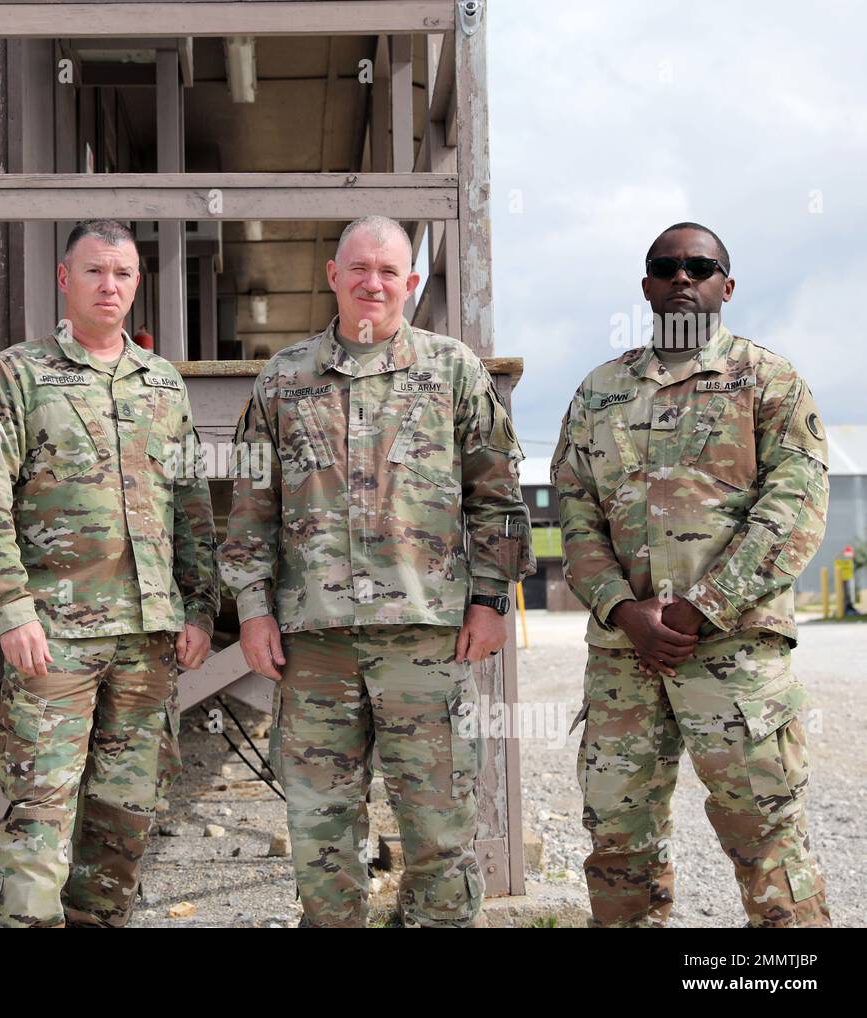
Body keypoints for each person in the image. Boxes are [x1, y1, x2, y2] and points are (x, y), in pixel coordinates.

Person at [219, 215, 534, 927]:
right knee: (321, 832)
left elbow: (498, 498)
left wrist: (491, 599)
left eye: (389, 271)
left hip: (424, 639)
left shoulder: (452, 371)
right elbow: (249, 508)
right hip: (315, 643)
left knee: (439, 828)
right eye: (359, 268)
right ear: (332, 275)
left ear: (411, 283)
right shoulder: (284, 379)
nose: (373, 283)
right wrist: (252, 607)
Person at [551, 222, 831, 927]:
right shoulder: (600, 393)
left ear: (725, 286)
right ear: (645, 285)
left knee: (766, 842)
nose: (683, 277)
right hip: (626, 657)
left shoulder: (769, 381)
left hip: (734, 655)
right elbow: (573, 510)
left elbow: (794, 508)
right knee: (618, 845)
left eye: (700, 266)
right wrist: (622, 609)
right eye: (666, 266)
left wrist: (702, 607)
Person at [0, 219, 219, 928]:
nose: (110, 285)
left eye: (123, 274)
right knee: (41, 812)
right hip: (55, 636)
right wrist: (10, 608)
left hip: (148, 637)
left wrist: (199, 608)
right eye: (95, 271)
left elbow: (190, 504)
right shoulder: (17, 374)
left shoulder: (161, 383)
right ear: (64, 279)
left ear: (138, 285)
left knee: (123, 816)